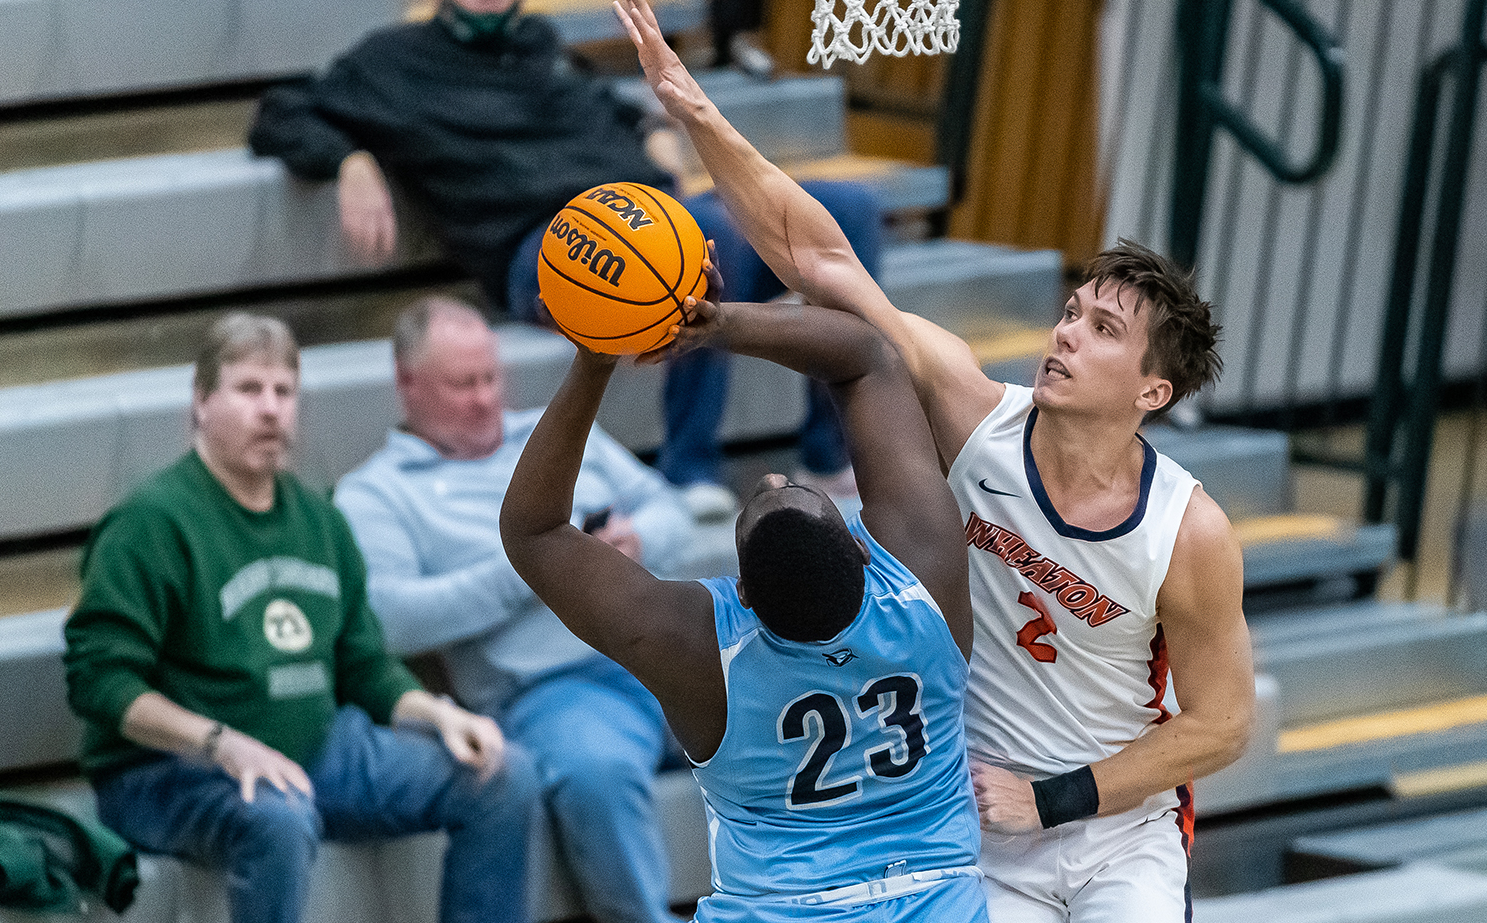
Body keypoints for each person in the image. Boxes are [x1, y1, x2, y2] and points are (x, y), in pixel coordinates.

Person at [612, 0, 1256, 921]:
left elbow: (1224, 723)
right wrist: (699, 111)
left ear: (1153, 391)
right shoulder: (973, 412)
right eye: (1071, 311)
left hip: (1117, 827)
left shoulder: (1186, 530)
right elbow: (822, 262)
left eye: (1104, 330)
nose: (1068, 334)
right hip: (971, 822)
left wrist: (1057, 797)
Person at [247, 0, 886, 519]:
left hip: (643, 213)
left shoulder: (539, 45)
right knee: (702, 239)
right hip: (543, 247)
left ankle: (831, 454)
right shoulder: (392, 61)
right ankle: (689, 466)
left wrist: (645, 123)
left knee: (850, 212)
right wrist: (350, 159)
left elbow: (596, 102)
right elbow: (281, 113)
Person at [500, 296, 988, 921]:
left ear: (745, 596)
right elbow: (866, 358)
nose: (776, 479)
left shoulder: (703, 648)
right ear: (866, 553)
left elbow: (532, 532)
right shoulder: (925, 582)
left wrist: (596, 361)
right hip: (936, 896)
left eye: (769, 492)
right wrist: (725, 323)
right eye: (790, 488)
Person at [62, 312, 539, 923]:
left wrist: (439, 713)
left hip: (316, 750)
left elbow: (363, 664)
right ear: (201, 404)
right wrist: (221, 745)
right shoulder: (150, 524)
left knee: (502, 774)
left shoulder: (320, 520)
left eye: (284, 392)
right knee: (279, 819)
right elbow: (99, 683)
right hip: (166, 772)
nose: (270, 410)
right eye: (248, 390)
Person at [333, 295, 699, 923]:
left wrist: (636, 537)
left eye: (490, 377)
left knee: (788, 713)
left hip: (665, 654)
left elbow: (676, 510)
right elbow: (387, 618)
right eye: (461, 384)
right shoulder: (376, 493)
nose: (483, 398)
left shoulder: (547, 432)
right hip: (549, 690)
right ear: (407, 384)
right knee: (597, 773)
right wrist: (535, 562)